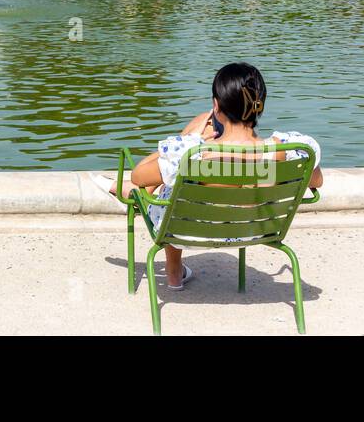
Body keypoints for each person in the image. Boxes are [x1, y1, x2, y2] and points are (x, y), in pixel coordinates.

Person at [112, 62, 323, 290]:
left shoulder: (194, 154)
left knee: (170, 189)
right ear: (259, 105)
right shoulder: (285, 149)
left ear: (216, 106)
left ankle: (173, 270)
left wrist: (189, 138)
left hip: (187, 232)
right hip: (255, 231)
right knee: (187, 184)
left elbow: (138, 176)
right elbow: (316, 181)